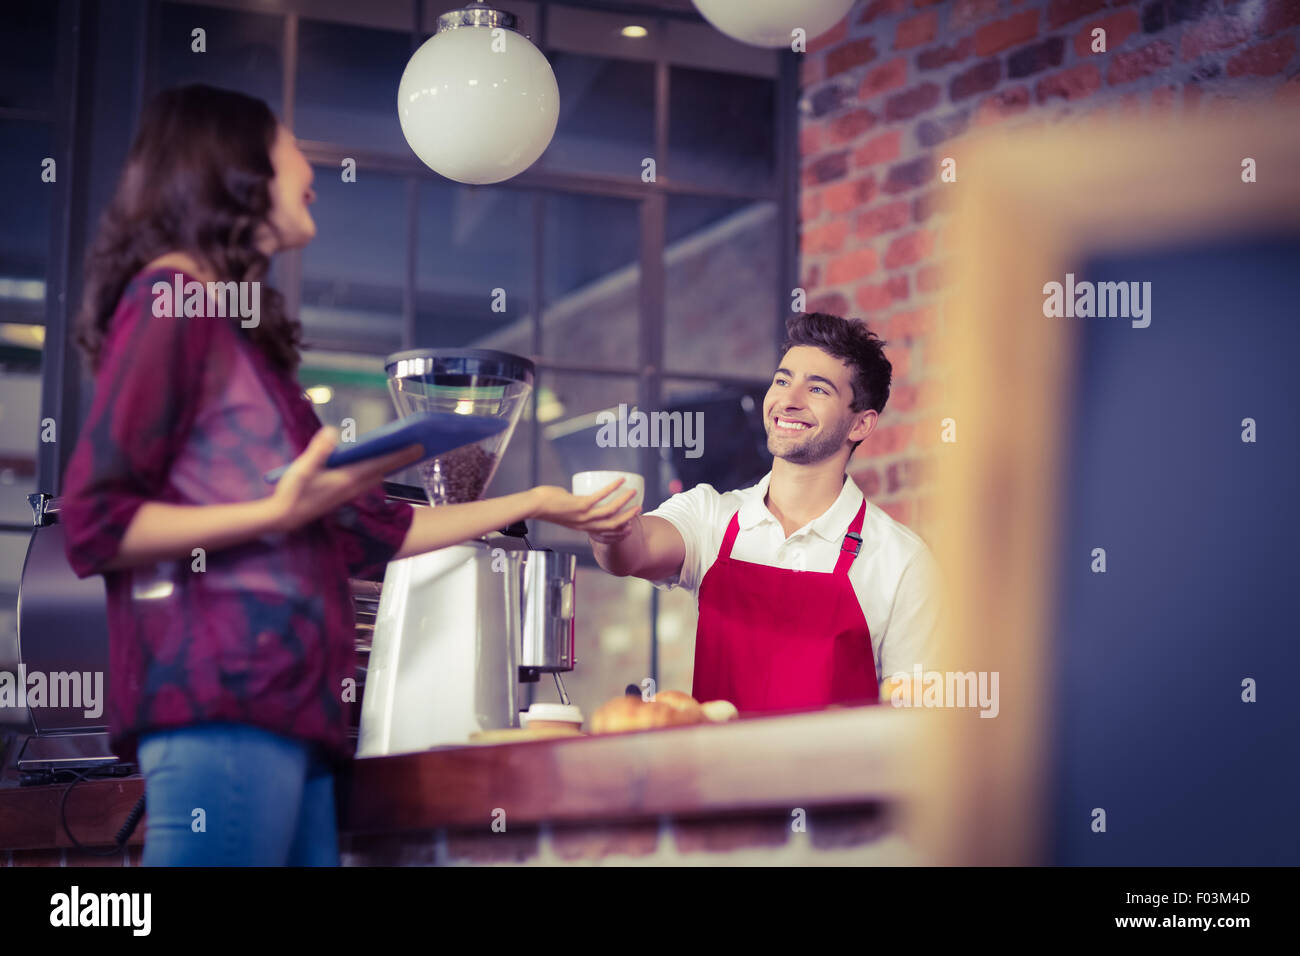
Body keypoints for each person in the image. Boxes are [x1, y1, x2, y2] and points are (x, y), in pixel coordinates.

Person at [60, 84, 635, 866]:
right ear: (233, 167)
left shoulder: (233, 334)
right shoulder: (171, 304)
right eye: (291, 145)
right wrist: (271, 512)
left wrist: (537, 503)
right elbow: (95, 523)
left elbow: (374, 531)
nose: (311, 169)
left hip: (294, 716)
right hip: (223, 703)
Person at [587, 311, 941, 711]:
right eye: (783, 380)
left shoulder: (902, 561)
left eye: (818, 390)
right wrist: (607, 529)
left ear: (860, 424)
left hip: (839, 776)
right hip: (714, 774)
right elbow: (630, 553)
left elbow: (912, 723)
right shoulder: (711, 516)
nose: (788, 401)